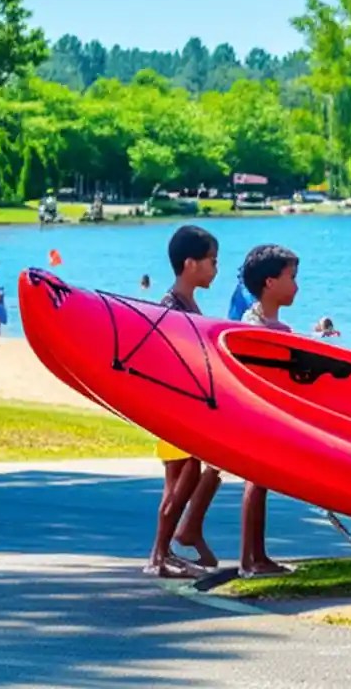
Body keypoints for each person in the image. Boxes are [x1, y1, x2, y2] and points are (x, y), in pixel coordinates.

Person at [146, 225, 223, 577]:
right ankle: (159, 557)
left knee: (180, 481)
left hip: (185, 408)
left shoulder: (187, 302)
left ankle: (162, 554)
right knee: (185, 476)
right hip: (174, 407)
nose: (215, 268)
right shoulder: (170, 305)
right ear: (190, 263)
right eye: (211, 260)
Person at [237, 244, 299, 577]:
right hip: (256, 414)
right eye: (291, 277)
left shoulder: (278, 327)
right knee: (255, 481)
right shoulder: (253, 325)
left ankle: (258, 554)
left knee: (262, 482)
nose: (296, 285)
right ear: (270, 282)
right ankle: (250, 559)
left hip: (270, 414)